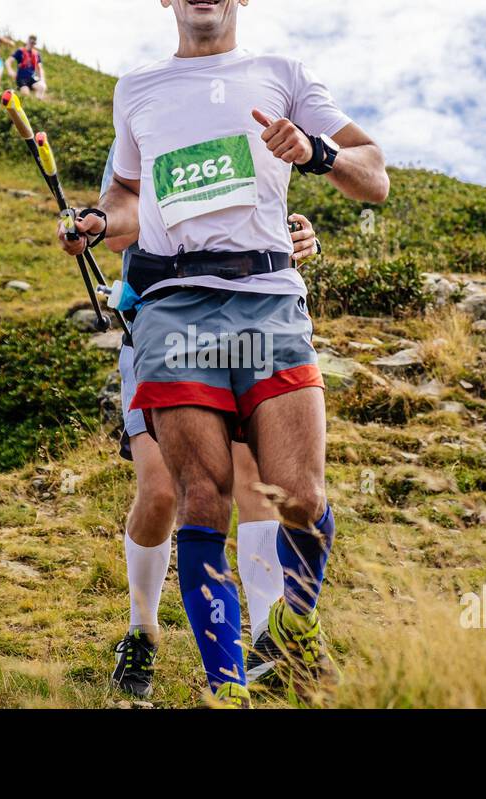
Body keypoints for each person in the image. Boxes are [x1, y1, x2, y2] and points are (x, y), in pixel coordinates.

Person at [58, 0, 388, 708]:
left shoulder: (283, 73)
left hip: (267, 296)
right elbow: (126, 202)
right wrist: (96, 220)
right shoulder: (137, 88)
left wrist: (316, 153)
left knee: (297, 495)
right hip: (173, 307)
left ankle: (292, 630)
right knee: (199, 500)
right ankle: (227, 689)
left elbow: (375, 174)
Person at [100, 141, 325, 700]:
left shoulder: (245, 120)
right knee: (161, 491)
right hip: (164, 329)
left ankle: (268, 638)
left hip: (253, 320)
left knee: (257, 486)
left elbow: (266, 216)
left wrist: (298, 237)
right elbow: (123, 223)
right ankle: (142, 630)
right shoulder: (145, 128)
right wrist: (96, 224)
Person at [7, 35, 46, 99]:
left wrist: (42, 79)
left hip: (32, 78)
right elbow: (8, 61)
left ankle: (36, 103)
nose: (32, 44)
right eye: (31, 42)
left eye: (34, 43)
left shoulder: (36, 53)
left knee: (42, 87)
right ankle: (25, 97)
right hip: (21, 79)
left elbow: (40, 68)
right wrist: (10, 70)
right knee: (26, 94)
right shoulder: (20, 51)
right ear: (28, 41)